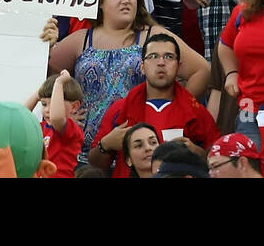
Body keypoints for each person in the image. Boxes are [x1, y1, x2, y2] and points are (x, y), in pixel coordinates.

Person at [44, 0, 177, 159]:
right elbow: (47, 78)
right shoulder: (81, 39)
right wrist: (63, 111)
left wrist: (166, 110)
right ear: (99, 3)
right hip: (85, 153)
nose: (126, 0)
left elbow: (200, 71)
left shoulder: (152, 36)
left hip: (137, 151)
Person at [89, 30, 216, 175]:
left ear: (179, 67)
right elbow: (95, 167)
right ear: (142, 67)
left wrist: (197, 152)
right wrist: (105, 145)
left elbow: (218, 157)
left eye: (169, 57)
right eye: (153, 56)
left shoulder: (196, 111)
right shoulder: (120, 109)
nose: (161, 63)